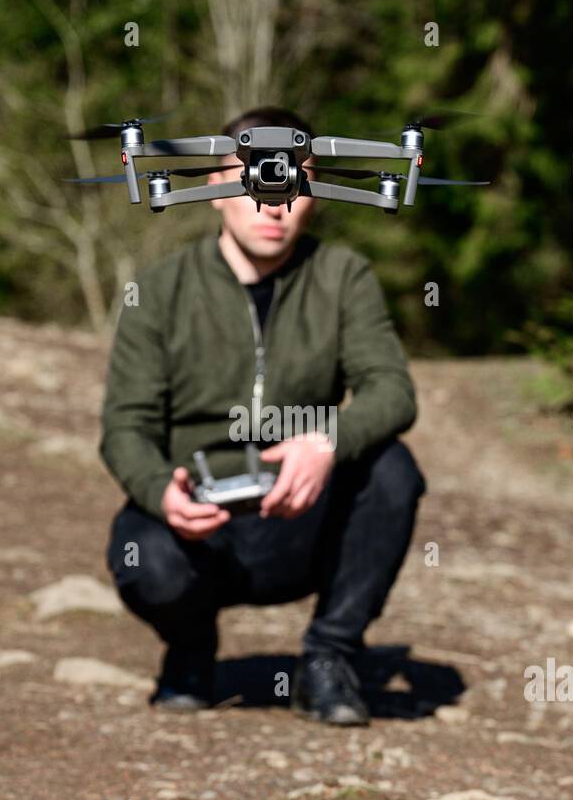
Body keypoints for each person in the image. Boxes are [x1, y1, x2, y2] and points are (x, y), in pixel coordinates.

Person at [100, 106, 426, 726]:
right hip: (200, 523)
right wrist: (160, 495)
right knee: (144, 557)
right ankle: (190, 651)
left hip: (301, 517)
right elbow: (124, 426)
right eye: (252, 183)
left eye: (292, 184)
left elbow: (392, 391)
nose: (272, 205)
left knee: (392, 470)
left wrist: (326, 439)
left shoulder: (343, 276)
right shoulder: (160, 289)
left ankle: (330, 658)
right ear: (217, 190)